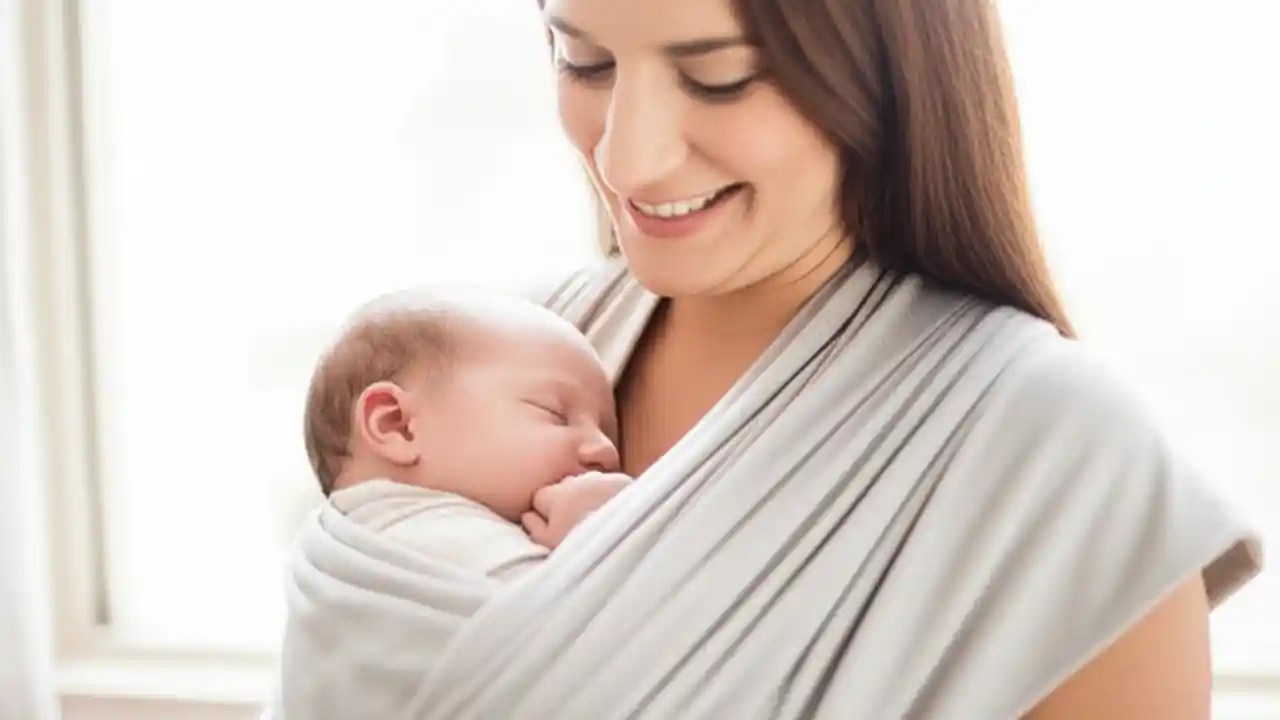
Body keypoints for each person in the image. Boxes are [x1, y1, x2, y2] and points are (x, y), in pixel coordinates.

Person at [278, 0, 1264, 717]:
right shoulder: (504, 353)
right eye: (584, 61)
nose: (627, 158)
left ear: (881, 70)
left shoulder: (1055, 457)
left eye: (718, 76)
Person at [300, 289, 629, 579]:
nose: (607, 450)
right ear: (397, 425)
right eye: (554, 413)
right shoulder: (435, 541)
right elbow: (578, 634)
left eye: (608, 431)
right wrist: (596, 536)